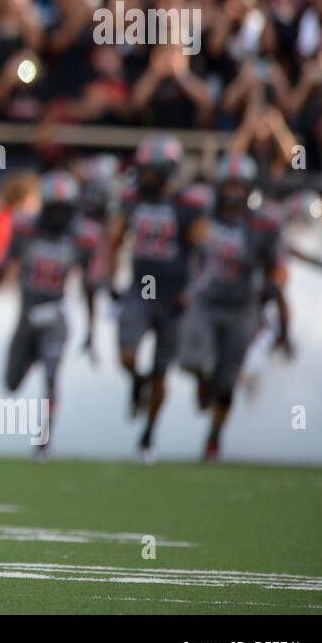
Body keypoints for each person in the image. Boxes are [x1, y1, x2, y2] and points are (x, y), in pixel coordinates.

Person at [0, 171, 101, 459]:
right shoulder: (25, 229)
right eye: (54, 208)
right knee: (11, 383)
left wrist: (93, 331)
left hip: (56, 314)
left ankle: (43, 441)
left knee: (52, 376)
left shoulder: (81, 237)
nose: (59, 216)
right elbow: (1, 269)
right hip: (27, 315)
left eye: (64, 209)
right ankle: (35, 358)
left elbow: (91, 286)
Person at [177, 154, 289, 463]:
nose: (234, 192)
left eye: (240, 185)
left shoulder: (264, 222)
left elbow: (279, 267)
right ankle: (203, 382)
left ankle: (214, 437)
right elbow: (183, 241)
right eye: (229, 185)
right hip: (207, 301)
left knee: (228, 380)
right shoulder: (204, 214)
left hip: (242, 307)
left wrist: (276, 284)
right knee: (189, 361)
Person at [106, 135, 210, 461]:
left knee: (163, 371)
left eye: (151, 170)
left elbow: (206, 257)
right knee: (126, 355)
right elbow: (115, 240)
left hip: (173, 296)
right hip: (140, 289)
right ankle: (138, 382)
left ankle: (149, 434)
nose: (145, 176)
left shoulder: (188, 205)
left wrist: (191, 292)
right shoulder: (132, 198)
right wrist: (111, 280)